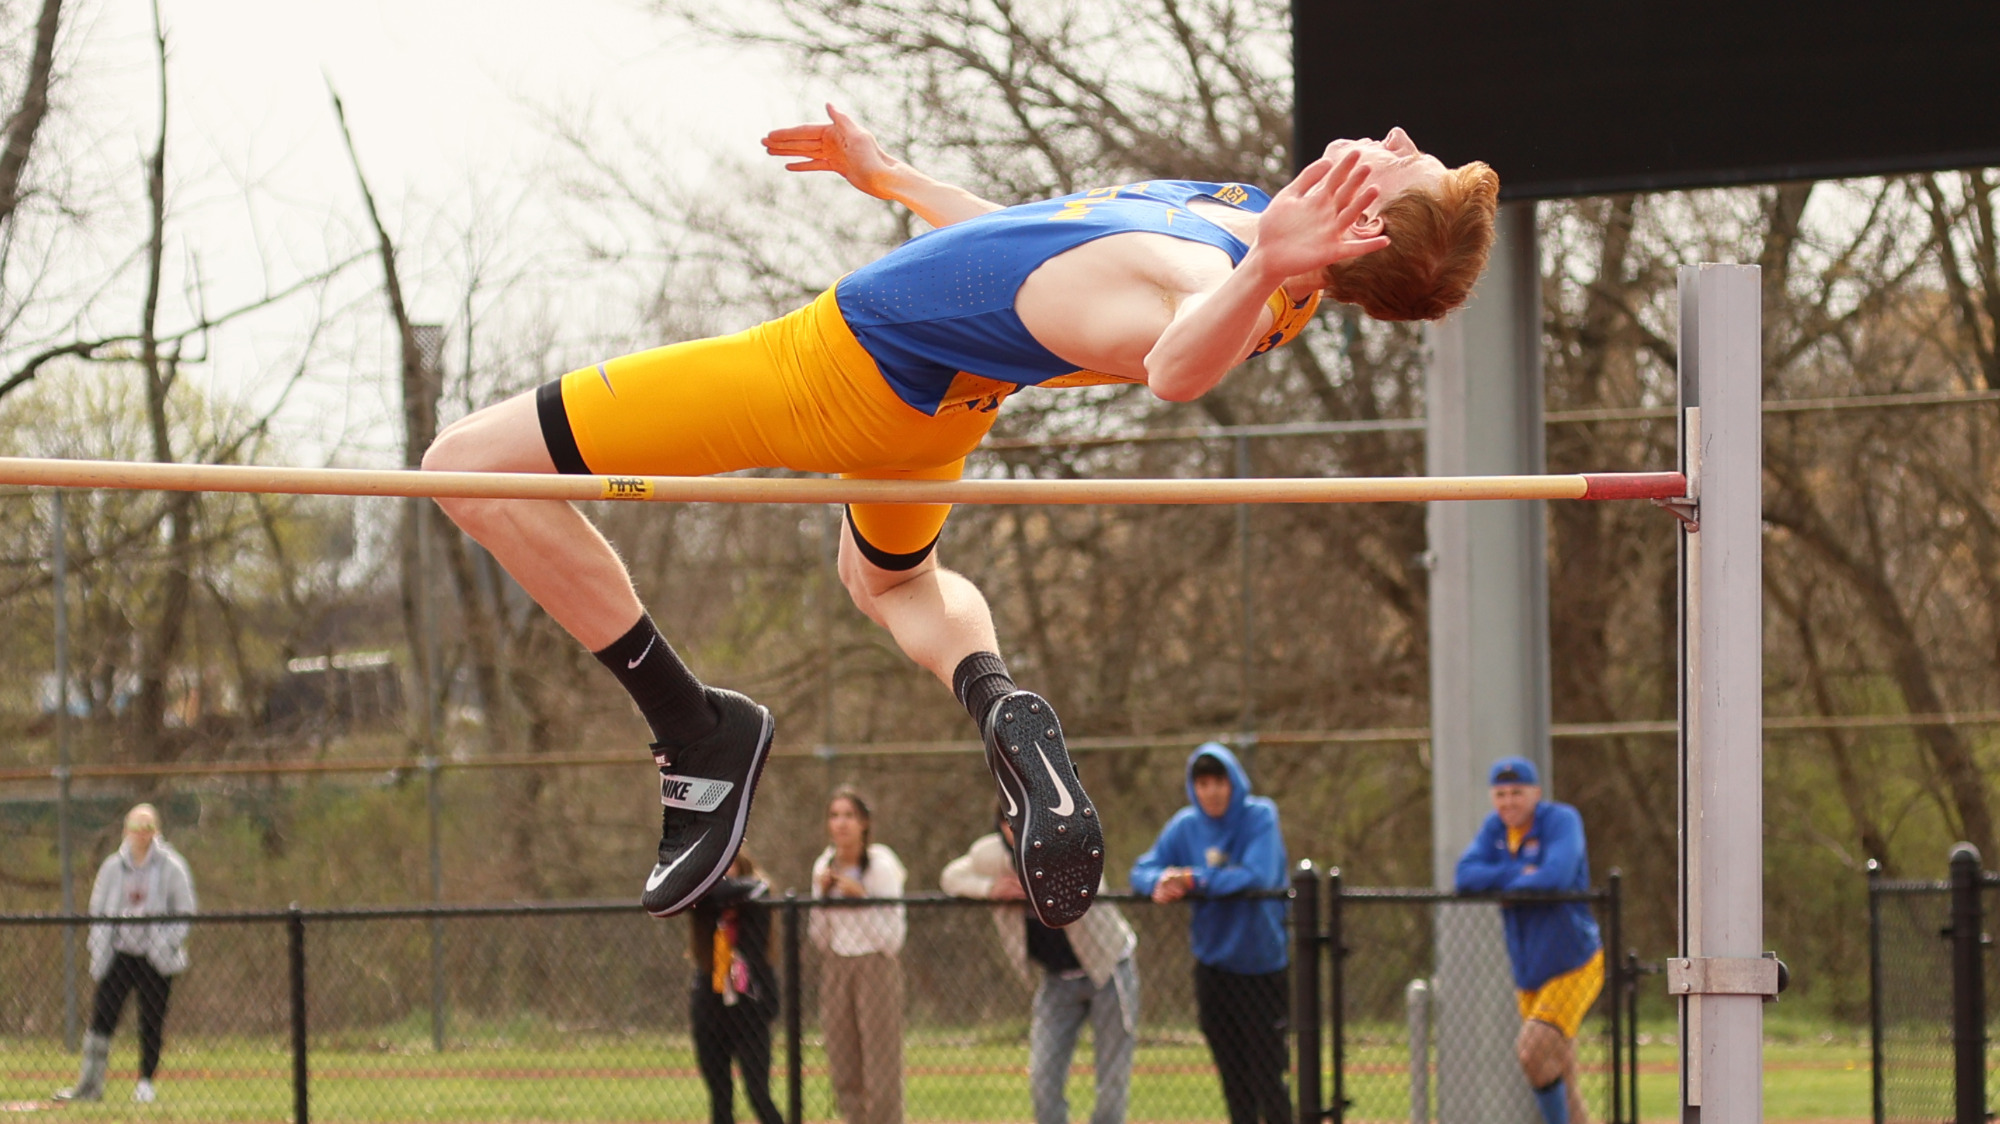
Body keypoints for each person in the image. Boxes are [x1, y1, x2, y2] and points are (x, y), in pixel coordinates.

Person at [422, 104, 1500, 924]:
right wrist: (889, 176)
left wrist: (1268, 260)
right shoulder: (1228, 222)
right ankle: (996, 702)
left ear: (1353, 226)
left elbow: (1174, 367)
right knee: (886, 581)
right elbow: (1031, 244)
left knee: (463, 467)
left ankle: (693, 725)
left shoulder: (1227, 268)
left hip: (827, 371)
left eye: (1409, 159)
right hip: (930, 410)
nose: (1398, 130)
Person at [941, 806, 1139, 1124]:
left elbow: (1091, 887)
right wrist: (990, 889)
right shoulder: (991, 855)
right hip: (1057, 977)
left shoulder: (1065, 841)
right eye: (1007, 820)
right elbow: (950, 877)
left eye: (1022, 819)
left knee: (1111, 1078)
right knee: (1043, 1076)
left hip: (1107, 967)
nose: (1014, 828)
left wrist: (1041, 881)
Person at [1130, 744, 1291, 1124]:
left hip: (1261, 968)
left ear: (1233, 783)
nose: (1211, 792)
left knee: (1268, 1076)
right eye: (1202, 784)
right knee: (1233, 1078)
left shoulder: (1260, 817)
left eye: (1218, 782)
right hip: (1213, 968)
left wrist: (1194, 879)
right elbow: (1141, 871)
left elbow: (1257, 875)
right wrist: (1162, 882)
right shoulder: (1186, 825)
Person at [1453, 757, 1603, 1124]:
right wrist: (1520, 873)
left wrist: (1504, 884)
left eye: (1517, 793)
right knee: (1561, 1075)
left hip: (1573, 965)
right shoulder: (1495, 830)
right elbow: (1465, 876)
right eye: (1500, 795)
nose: (1508, 802)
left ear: (1536, 793)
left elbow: (1556, 874)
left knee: (1531, 1052)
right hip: (1529, 972)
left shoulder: (1561, 820)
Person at [55, 804, 196, 1105]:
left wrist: (167, 942)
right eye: (135, 827)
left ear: (155, 832)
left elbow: (185, 910)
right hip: (120, 953)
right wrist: (99, 943)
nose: (140, 835)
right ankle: (89, 1085)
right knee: (101, 1018)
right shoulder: (112, 867)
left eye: (146, 828)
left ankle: (145, 1082)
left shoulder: (172, 866)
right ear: (126, 831)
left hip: (156, 958)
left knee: (151, 1019)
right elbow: (99, 907)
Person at [808, 790, 906, 1124]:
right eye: (834, 816)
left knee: (881, 1063)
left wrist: (860, 898)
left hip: (875, 965)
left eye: (849, 815)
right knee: (842, 1060)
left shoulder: (881, 865)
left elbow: (893, 939)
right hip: (837, 965)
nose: (841, 823)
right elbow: (819, 938)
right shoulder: (823, 865)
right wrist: (822, 898)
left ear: (864, 823)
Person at [689, 851, 784, 1124]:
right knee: (720, 1097)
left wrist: (718, 887)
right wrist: (707, 884)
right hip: (711, 1006)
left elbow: (756, 889)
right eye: (717, 865)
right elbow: (699, 895)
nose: (724, 871)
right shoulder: (702, 899)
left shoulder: (757, 897)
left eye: (728, 864)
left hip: (751, 1008)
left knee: (758, 1093)